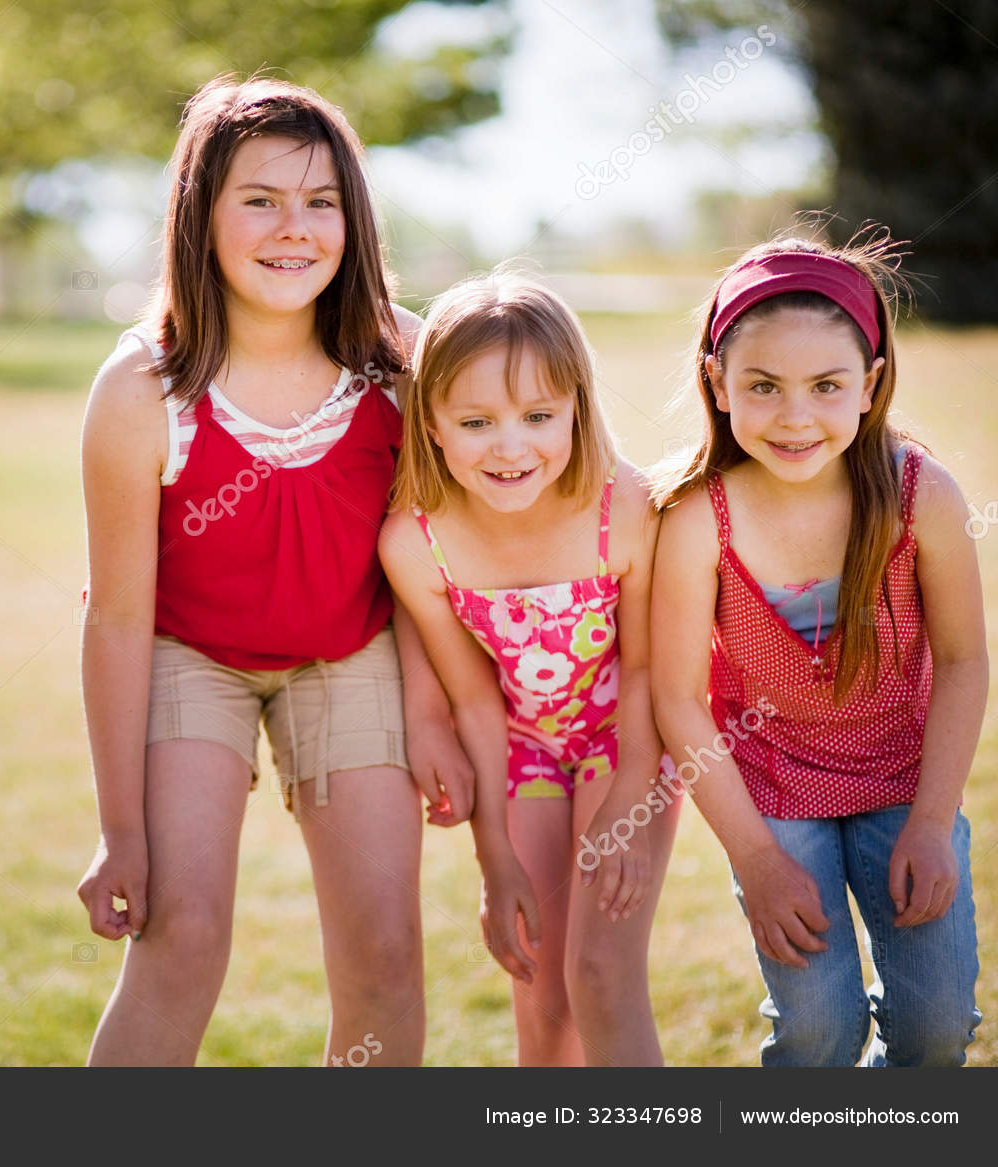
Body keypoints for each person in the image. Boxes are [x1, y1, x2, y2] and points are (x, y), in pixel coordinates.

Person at [75, 74, 471, 1066]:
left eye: (321, 202)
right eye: (259, 199)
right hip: (188, 655)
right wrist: (119, 829)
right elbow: (118, 621)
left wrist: (428, 716)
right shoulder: (142, 390)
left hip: (347, 654)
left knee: (384, 947)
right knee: (182, 934)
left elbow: (429, 564)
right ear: (199, 216)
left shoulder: (400, 362)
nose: (294, 228)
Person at [650, 229, 985, 1065]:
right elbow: (678, 698)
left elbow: (967, 659)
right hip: (770, 792)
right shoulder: (699, 517)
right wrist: (755, 857)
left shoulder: (921, 495)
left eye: (826, 386)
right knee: (817, 1030)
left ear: (869, 386)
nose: (795, 417)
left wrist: (934, 821)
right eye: (762, 386)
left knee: (936, 1025)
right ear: (717, 384)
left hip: (904, 779)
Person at [380, 271, 674, 1066]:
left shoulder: (627, 506)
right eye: (476, 420)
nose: (511, 447)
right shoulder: (417, 542)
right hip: (522, 751)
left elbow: (650, 675)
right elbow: (473, 699)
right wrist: (493, 855)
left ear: (577, 405)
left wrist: (629, 801)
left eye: (539, 415)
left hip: (627, 741)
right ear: (431, 424)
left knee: (603, 975)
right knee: (542, 986)